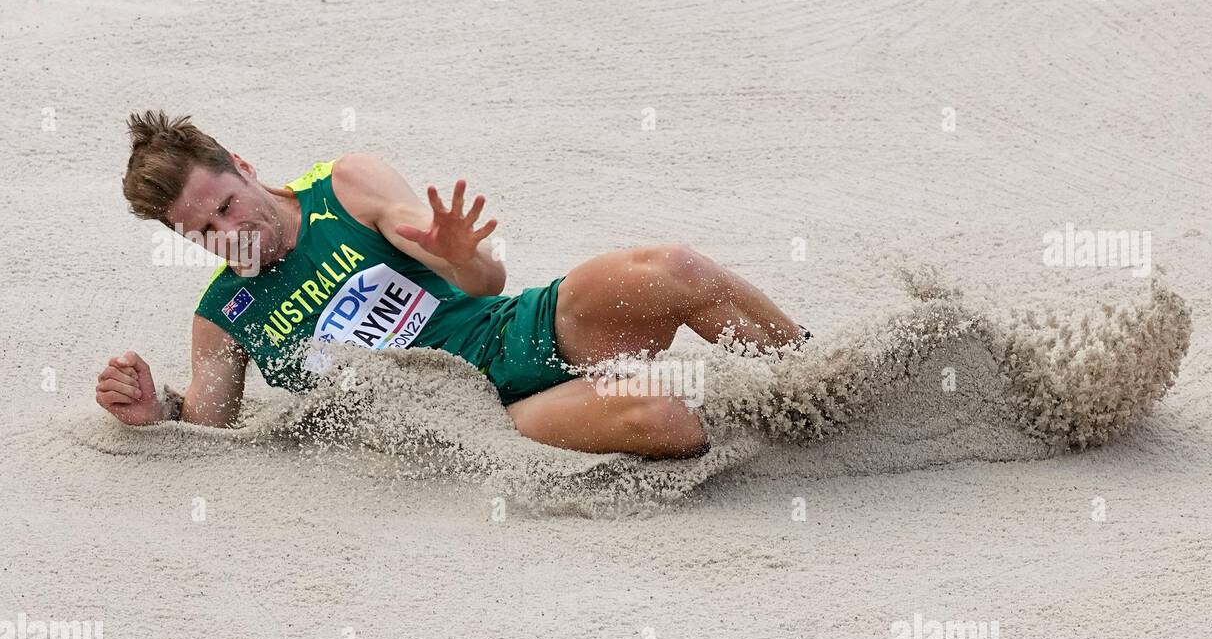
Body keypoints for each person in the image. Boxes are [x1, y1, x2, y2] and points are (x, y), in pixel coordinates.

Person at [96, 112, 808, 458]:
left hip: (518, 329)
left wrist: (459, 254)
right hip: (485, 418)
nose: (230, 234)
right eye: (203, 233)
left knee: (673, 269)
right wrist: (152, 409)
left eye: (225, 206)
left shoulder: (346, 187)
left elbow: (484, 274)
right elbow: (210, 430)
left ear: (243, 165)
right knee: (662, 418)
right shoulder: (224, 317)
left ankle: (813, 381)